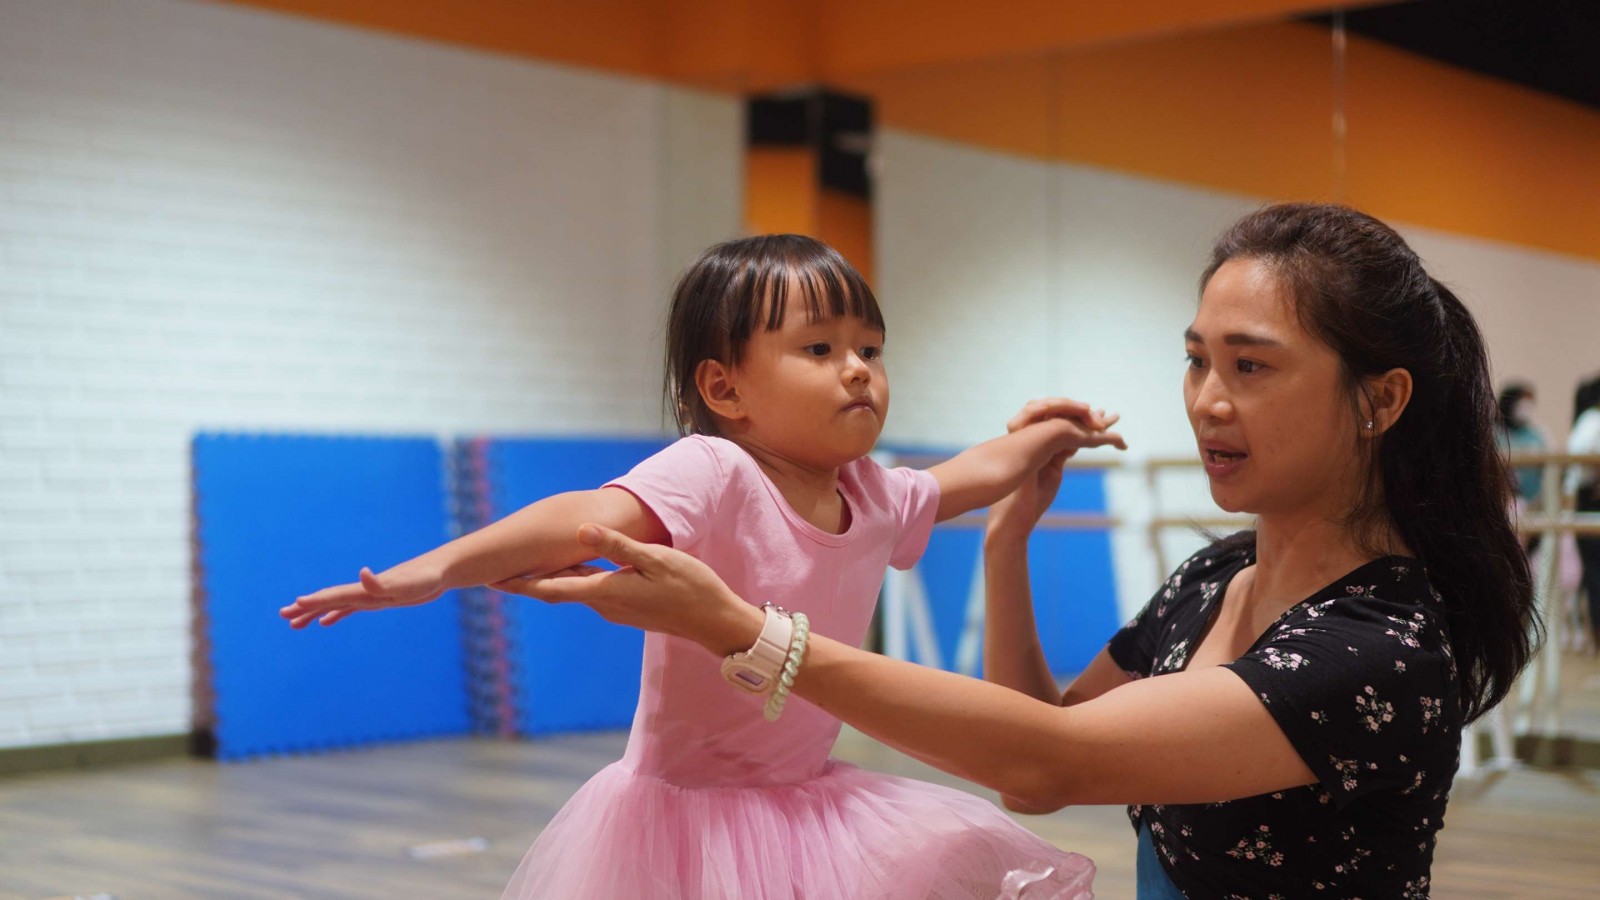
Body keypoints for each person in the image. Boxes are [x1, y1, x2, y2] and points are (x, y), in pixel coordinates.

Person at [498, 204, 1540, 899]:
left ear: (1380, 399)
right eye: (1196, 361)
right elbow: (1044, 746)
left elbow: (1047, 762)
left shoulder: (1376, 647)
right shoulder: (1216, 577)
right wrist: (1007, 540)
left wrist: (744, 631)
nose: (1209, 402)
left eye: (1251, 367)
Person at [280, 234, 1115, 899]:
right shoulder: (716, 472)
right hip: (685, 820)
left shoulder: (872, 491)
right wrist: (437, 570)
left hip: (810, 799)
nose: (858, 368)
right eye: (819, 348)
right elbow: (583, 517)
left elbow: (976, 472)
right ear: (725, 389)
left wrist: (1054, 431)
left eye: (870, 347)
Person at [1496, 382, 1548, 549]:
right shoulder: (1493, 432)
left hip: (1533, 503)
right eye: (1521, 402)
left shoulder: (1536, 435)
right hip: (1503, 503)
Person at [1567, 389, 1600, 649]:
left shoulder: (1590, 421)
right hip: (1590, 497)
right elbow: (1577, 460)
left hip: (1588, 496)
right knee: (1593, 569)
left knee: (1594, 570)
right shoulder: (1591, 420)